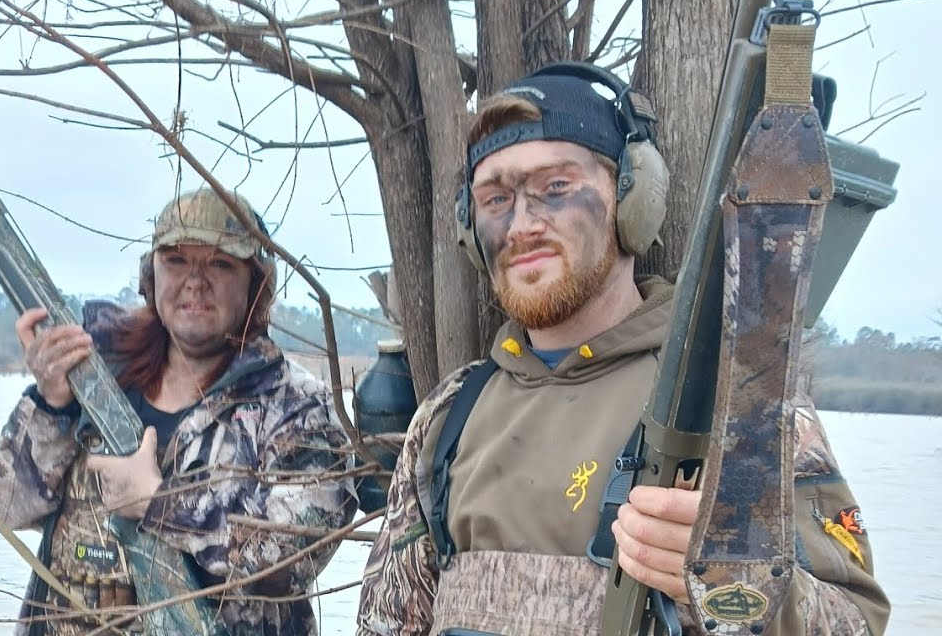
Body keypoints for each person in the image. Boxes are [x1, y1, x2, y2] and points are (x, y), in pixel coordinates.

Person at [354, 63, 889, 635]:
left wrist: (737, 588)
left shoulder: (733, 402)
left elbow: (855, 622)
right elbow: (386, 624)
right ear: (468, 229)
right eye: (495, 199)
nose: (521, 224)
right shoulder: (449, 415)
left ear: (633, 200)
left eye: (555, 188)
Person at [0, 188, 358, 636]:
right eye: (176, 260)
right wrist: (52, 403)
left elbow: (297, 555)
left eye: (220, 263)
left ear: (255, 285)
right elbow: (7, 506)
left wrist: (160, 504)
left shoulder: (297, 406)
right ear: (151, 275)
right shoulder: (95, 378)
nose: (195, 281)